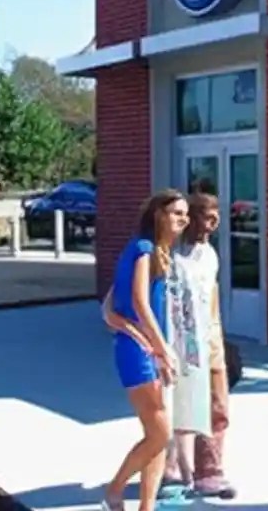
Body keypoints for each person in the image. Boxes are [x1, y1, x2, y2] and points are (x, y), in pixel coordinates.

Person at [106, 193, 237, 501]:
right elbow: (120, 304)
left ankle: (208, 473)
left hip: (204, 344)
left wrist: (219, 338)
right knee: (165, 424)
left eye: (215, 214)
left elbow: (212, 298)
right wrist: (154, 344)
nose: (209, 220)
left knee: (212, 409)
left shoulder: (204, 254)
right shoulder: (155, 251)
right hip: (163, 349)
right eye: (202, 213)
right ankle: (157, 478)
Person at [100, 190, 189, 511]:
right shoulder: (143, 248)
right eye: (177, 212)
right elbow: (137, 301)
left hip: (149, 347)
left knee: (156, 434)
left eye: (186, 214)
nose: (184, 219)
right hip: (138, 351)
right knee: (159, 433)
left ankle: (146, 506)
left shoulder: (157, 251)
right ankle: (114, 490)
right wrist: (162, 349)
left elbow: (109, 305)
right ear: (159, 215)